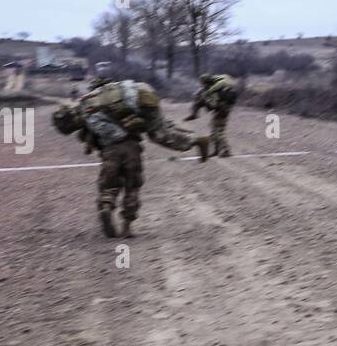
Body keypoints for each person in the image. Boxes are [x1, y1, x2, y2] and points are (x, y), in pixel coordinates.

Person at [52, 76, 210, 238]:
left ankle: (106, 206)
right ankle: (126, 227)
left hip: (115, 147)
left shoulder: (88, 112)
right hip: (137, 125)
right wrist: (135, 125)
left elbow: (108, 135)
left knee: (109, 182)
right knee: (133, 182)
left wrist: (128, 128)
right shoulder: (101, 99)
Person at [185, 73, 239, 157]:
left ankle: (226, 150)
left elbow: (214, 105)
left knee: (218, 132)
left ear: (205, 82)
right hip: (223, 110)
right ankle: (216, 151)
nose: (201, 85)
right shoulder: (217, 88)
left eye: (202, 83)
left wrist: (205, 100)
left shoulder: (213, 91)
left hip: (221, 111)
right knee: (214, 130)